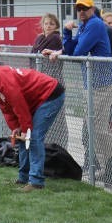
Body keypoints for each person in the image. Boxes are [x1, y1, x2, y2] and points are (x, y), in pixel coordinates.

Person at [46, 0, 112, 188]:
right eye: (78, 9)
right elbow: (71, 49)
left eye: (85, 8)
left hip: (104, 84)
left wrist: (67, 44)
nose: (81, 12)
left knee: (98, 126)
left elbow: (78, 52)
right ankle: (107, 168)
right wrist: (66, 32)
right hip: (92, 84)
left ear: (92, 9)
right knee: (92, 127)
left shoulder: (95, 24)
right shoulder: (84, 25)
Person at [0, 52, 66, 192]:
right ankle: (23, 178)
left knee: (33, 137)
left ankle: (36, 182)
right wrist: (16, 127)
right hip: (34, 101)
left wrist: (25, 128)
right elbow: (5, 106)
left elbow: (18, 102)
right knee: (21, 139)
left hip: (49, 94)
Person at [29, 13, 66, 146]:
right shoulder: (40, 38)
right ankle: (46, 143)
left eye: (51, 24)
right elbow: (34, 54)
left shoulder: (55, 38)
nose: (48, 26)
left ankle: (59, 143)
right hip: (40, 81)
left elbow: (42, 52)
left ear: (56, 26)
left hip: (53, 79)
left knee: (56, 116)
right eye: (46, 23)